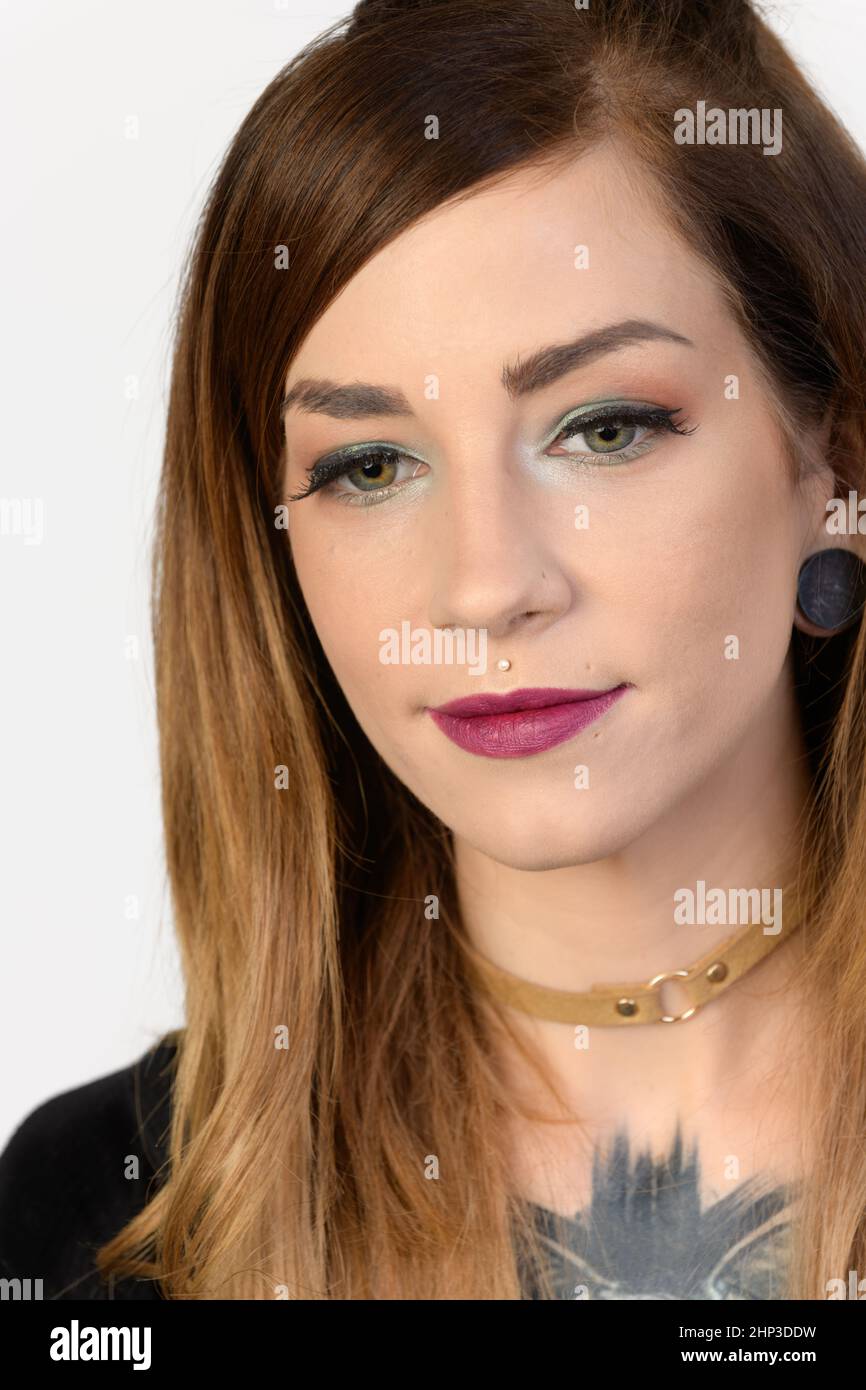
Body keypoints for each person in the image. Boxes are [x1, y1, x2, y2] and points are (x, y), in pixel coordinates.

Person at [3, 0, 866, 1300]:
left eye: (606, 428)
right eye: (368, 463)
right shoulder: (101, 1214)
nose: (483, 586)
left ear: (834, 469)